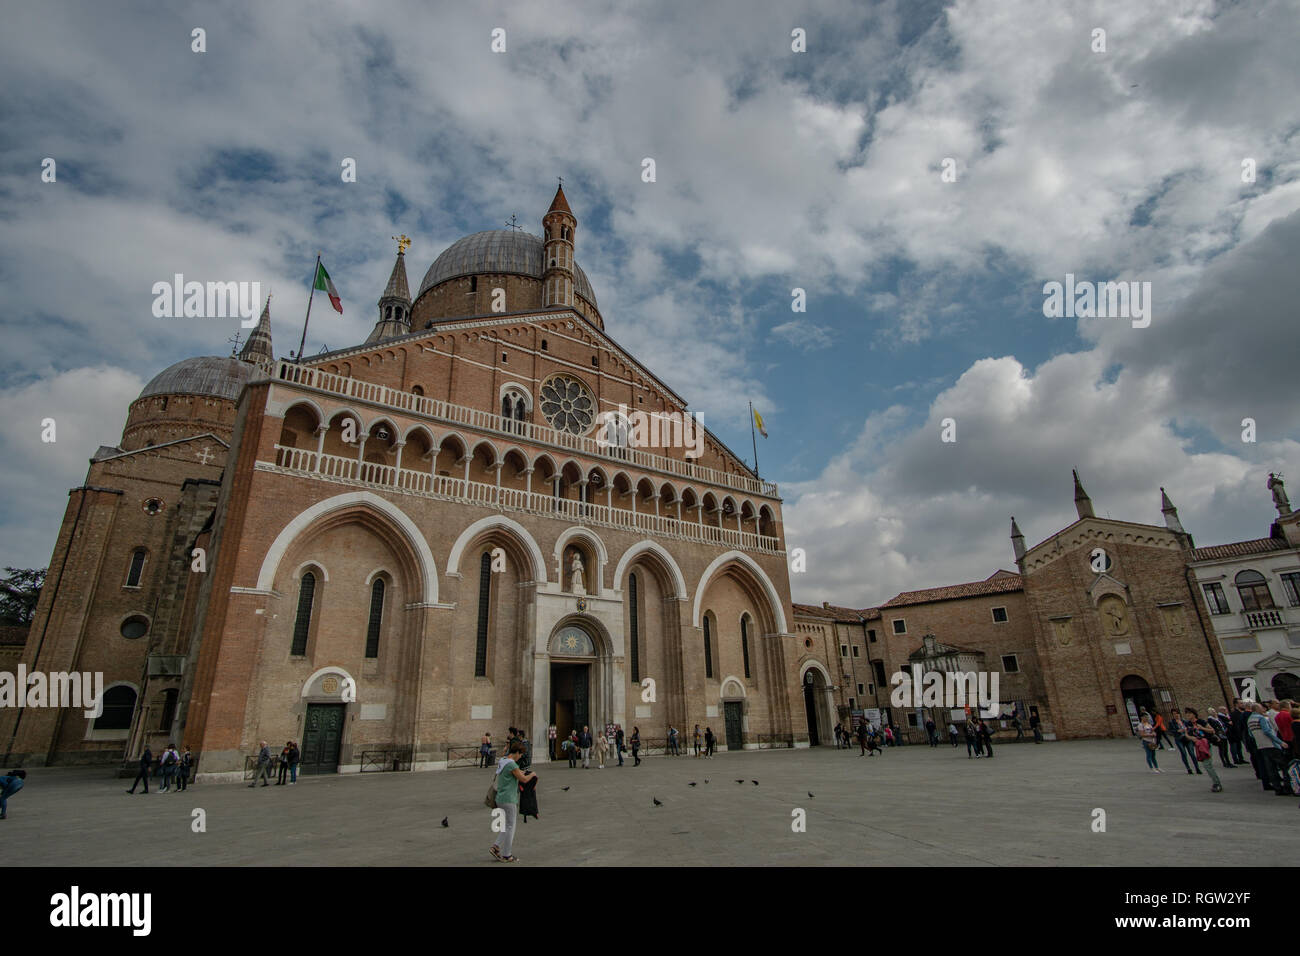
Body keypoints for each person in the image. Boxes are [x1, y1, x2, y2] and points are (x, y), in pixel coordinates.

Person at [490, 741, 535, 863]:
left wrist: (521, 772)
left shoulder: (503, 761)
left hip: (500, 798)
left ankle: (495, 847)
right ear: (516, 752)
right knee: (511, 826)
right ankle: (506, 854)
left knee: (506, 825)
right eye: (520, 754)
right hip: (509, 799)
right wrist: (533, 774)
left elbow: (516, 773)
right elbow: (524, 779)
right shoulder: (512, 764)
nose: (520, 757)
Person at [1248, 702, 1291, 795]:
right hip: (1271, 745)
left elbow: (1251, 734)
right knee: (1284, 765)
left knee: (1271, 768)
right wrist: (1280, 742)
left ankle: (1277, 788)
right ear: (1257, 709)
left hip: (1261, 746)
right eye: (1261, 708)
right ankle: (1288, 786)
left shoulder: (1250, 720)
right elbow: (1267, 731)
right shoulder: (1261, 718)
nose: (1263, 709)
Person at [1186, 709, 1222, 792]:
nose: (1188, 715)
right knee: (1206, 764)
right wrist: (1191, 738)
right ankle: (1216, 782)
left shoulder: (1201, 721)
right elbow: (1186, 734)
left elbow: (1212, 730)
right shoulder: (1188, 724)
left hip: (1205, 743)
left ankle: (1217, 783)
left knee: (1207, 764)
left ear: (1194, 714)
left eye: (1189, 713)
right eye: (1187, 714)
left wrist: (1202, 728)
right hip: (1198, 745)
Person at [1169, 709, 1201, 776]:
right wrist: (1177, 731)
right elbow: (1170, 731)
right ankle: (1188, 768)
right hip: (1179, 739)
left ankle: (1197, 768)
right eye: (1174, 714)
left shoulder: (1184, 721)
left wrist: (1188, 731)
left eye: (1177, 713)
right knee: (1183, 753)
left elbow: (1190, 728)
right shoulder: (1172, 722)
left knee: (1192, 753)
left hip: (1187, 738)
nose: (1176, 715)